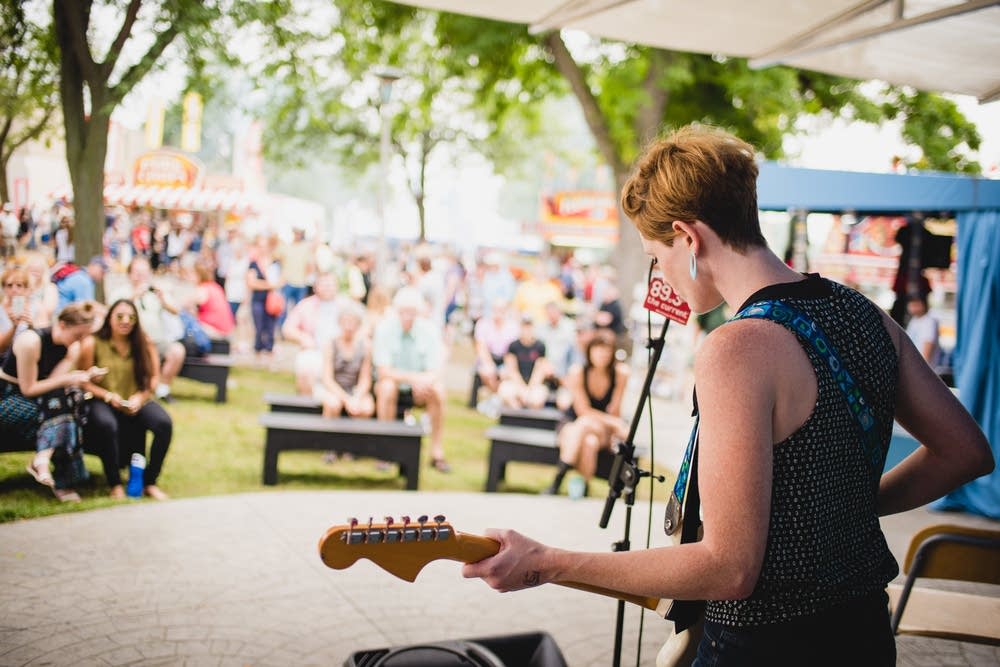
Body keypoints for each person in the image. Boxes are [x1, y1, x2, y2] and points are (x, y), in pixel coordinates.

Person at [461, 125, 993, 665]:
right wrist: (852, 506)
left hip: (767, 646)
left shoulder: (736, 348)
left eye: (656, 254)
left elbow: (729, 568)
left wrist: (548, 561)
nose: (660, 275)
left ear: (688, 239)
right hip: (863, 632)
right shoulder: (864, 314)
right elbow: (965, 451)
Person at [0, 301, 103, 502]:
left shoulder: (70, 348)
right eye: (78, 335)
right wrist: (68, 379)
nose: (79, 342)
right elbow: (28, 388)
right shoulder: (31, 341)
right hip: (9, 397)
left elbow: (52, 385)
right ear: (63, 325)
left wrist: (83, 376)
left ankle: (42, 459)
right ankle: (62, 478)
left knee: (71, 399)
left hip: (41, 400)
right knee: (67, 414)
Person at [79, 299, 172, 500]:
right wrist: (108, 396)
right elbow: (83, 381)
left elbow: (153, 379)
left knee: (163, 424)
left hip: (135, 399)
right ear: (109, 318)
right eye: (120, 316)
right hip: (103, 399)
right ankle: (114, 484)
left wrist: (141, 397)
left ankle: (150, 481)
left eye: (131, 317)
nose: (126, 321)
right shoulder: (92, 343)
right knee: (106, 424)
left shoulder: (143, 342)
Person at [543, 327, 629, 497]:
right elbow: (583, 411)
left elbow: (616, 409)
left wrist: (613, 424)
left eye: (607, 350)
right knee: (589, 440)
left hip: (601, 429)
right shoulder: (578, 372)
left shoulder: (619, 374)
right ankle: (583, 488)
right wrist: (616, 423)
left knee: (586, 426)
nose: (602, 354)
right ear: (589, 350)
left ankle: (558, 479)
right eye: (598, 349)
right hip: (573, 423)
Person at [373, 287, 449, 472]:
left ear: (419, 312)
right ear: (396, 311)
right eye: (403, 312)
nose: (408, 316)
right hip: (393, 386)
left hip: (420, 388)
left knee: (438, 391)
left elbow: (435, 369)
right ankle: (386, 450)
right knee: (387, 387)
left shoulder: (429, 330)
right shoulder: (384, 328)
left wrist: (424, 382)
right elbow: (383, 371)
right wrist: (414, 379)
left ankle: (436, 451)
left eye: (412, 312)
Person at [112, 256, 185, 401]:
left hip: (157, 340)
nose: (141, 277)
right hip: (132, 341)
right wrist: (134, 296)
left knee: (177, 351)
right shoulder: (122, 292)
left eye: (145, 273)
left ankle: (162, 389)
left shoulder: (155, 292)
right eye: (138, 273)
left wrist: (163, 299)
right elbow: (113, 313)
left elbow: (176, 310)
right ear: (130, 274)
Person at [282, 272, 344, 395]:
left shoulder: (345, 305)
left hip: (340, 352)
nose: (328, 288)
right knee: (305, 364)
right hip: (316, 350)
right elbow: (287, 329)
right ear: (316, 287)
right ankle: (307, 406)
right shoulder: (306, 305)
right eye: (324, 284)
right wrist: (303, 338)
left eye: (331, 285)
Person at [317, 301, 374, 419]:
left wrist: (357, 397)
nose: (349, 326)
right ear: (340, 322)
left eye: (353, 322)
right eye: (346, 322)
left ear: (358, 324)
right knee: (333, 404)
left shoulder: (365, 346)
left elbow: (365, 379)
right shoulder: (330, 344)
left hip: (353, 389)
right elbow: (327, 379)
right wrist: (347, 399)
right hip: (332, 388)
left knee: (366, 408)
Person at [497, 315, 553, 410]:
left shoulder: (540, 346)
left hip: (534, 384)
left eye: (529, 326)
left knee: (537, 399)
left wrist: (529, 389)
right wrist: (522, 388)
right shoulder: (513, 346)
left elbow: (539, 370)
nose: (527, 330)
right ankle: (516, 415)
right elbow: (512, 370)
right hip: (516, 383)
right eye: (524, 326)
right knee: (504, 391)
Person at [246, 235, 281, 361]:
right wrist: (269, 285)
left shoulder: (275, 263)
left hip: (272, 301)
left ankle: (269, 352)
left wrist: (264, 284)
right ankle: (258, 352)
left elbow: (280, 281)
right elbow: (251, 283)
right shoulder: (253, 264)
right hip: (258, 299)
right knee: (259, 327)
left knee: (270, 328)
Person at [192, 257, 235, 339]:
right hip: (228, 329)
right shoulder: (215, 286)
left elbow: (190, 308)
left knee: (188, 321)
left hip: (216, 330)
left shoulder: (202, 288)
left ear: (198, 275)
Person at [1, 266, 33, 356]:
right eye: (9, 285)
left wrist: (31, 325)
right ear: (4, 288)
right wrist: (14, 327)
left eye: (19, 285)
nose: (14, 290)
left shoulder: (35, 308)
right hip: (6, 358)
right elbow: (1, 348)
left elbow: (44, 339)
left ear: (26, 288)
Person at [904, 292, 940, 365]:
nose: (912, 308)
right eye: (911, 305)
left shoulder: (929, 322)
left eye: (916, 305)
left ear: (924, 305)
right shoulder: (914, 320)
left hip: (923, 369)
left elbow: (928, 347)